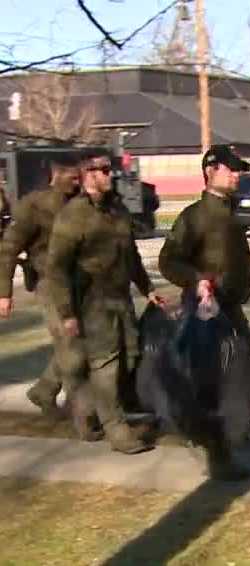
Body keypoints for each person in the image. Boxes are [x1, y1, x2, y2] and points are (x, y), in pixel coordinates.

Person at [46, 150, 162, 454]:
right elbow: (56, 268)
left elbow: (131, 254)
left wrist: (147, 288)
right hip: (92, 301)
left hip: (120, 298)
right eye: (102, 170)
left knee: (128, 357)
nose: (110, 175)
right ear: (86, 175)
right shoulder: (73, 216)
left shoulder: (118, 209)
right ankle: (116, 429)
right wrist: (67, 312)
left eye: (110, 169)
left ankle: (86, 414)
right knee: (106, 364)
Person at [158, 144, 250, 481]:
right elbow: (168, 260)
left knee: (241, 375)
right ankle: (218, 454)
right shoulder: (195, 216)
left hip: (230, 308)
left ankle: (233, 435)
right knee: (214, 383)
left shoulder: (228, 213)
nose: (236, 175)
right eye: (230, 169)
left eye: (237, 170)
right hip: (206, 311)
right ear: (209, 172)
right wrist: (196, 280)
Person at [0, 155, 91, 432]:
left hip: (83, 284)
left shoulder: (85, 202)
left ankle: (45, 388)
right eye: (72, 174)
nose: (77, 179)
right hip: (49, 284)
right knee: (71, 346)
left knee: (79, 343)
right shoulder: (34, 206)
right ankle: (82, 414)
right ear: (56, 173)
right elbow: (8, 249)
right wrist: (4, 293)